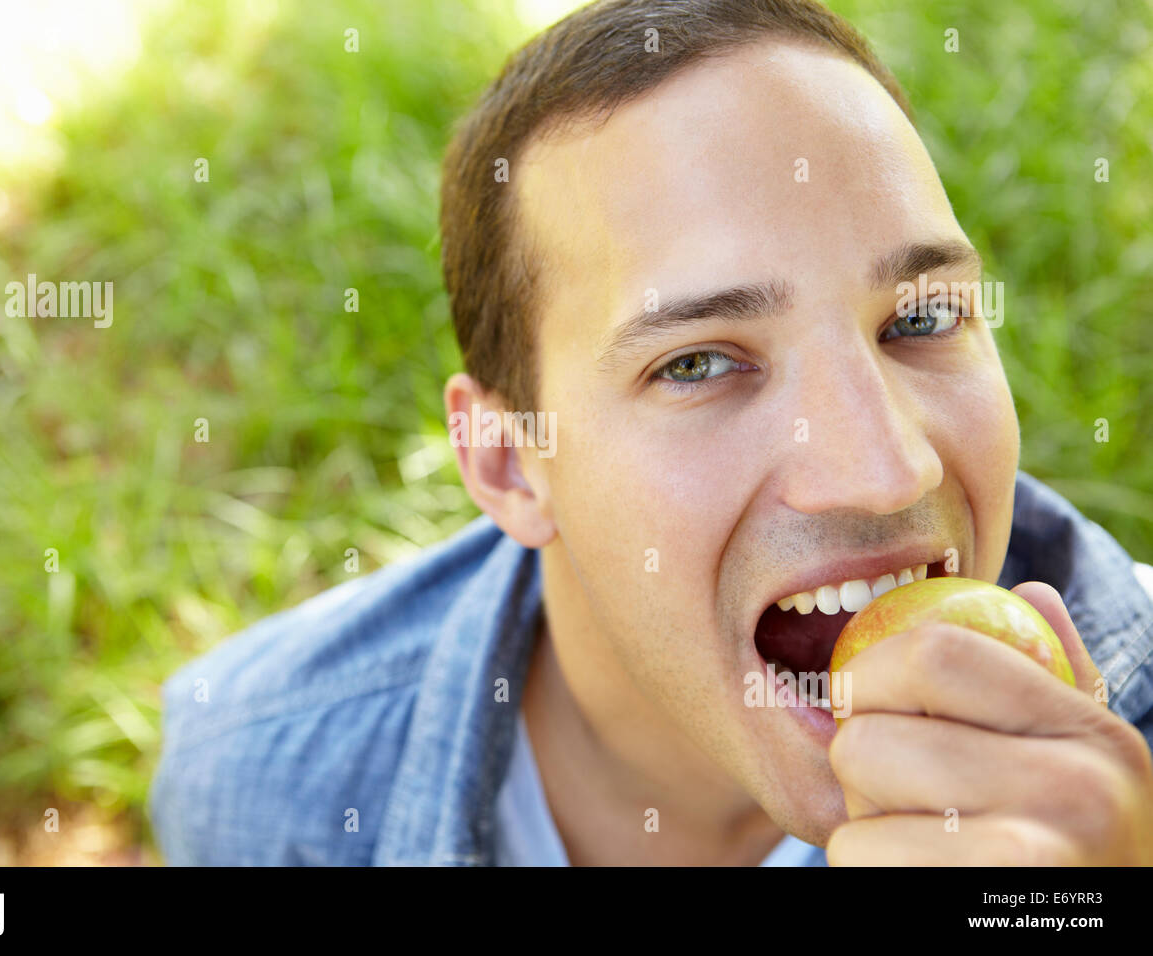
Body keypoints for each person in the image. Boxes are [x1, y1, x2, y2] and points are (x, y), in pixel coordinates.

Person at [149, 0, 1153, 865]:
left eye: (921, 318)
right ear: (509, 462)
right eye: (698, 363)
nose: (887, 469)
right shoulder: (261, 790)